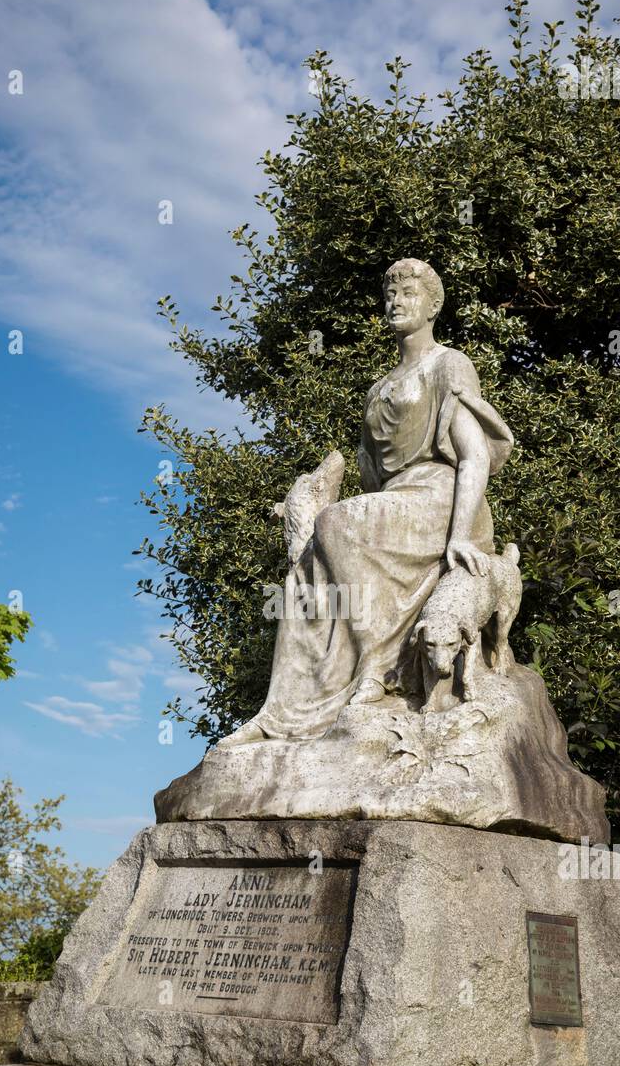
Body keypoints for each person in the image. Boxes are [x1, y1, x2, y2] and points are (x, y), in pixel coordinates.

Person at [218, 258, 513, 746]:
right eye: (390, 295)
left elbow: (475, 455)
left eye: (409, 294)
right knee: (306, 566)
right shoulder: (378, 390)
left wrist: (460, 533)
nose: (397, 302)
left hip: (442, 500)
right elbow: (373, 480)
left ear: (433, 305)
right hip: (395, 507)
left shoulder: (448, 364)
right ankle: (283, 714)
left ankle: (376, 665)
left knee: (333, 521)